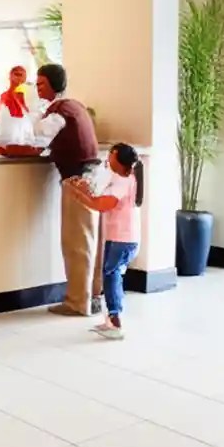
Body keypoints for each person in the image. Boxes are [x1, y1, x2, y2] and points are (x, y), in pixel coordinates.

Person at [0, 63, 104, 316]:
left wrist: (29, 108)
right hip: (92, 176)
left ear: (54, 84)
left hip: (77, 180)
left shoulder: (59, 112)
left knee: (76, 242)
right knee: (90, 241)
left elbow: (39, 132)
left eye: (41, 84)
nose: (37, 89)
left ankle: (77, 302)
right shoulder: (75, 106)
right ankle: (93, 297)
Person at [64, 143, 143, 340]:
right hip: (119, 237)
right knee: (110, 275)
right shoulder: (121, 177)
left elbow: (100, 205)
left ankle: (115, 322)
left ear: (120, 160)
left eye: (112, 155)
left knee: (112, 276)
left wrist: (77, 194)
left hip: (123, 239)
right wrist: (84, 186)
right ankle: (111, 319)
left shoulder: (122, 183)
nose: (108, 157)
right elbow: (98, 190)